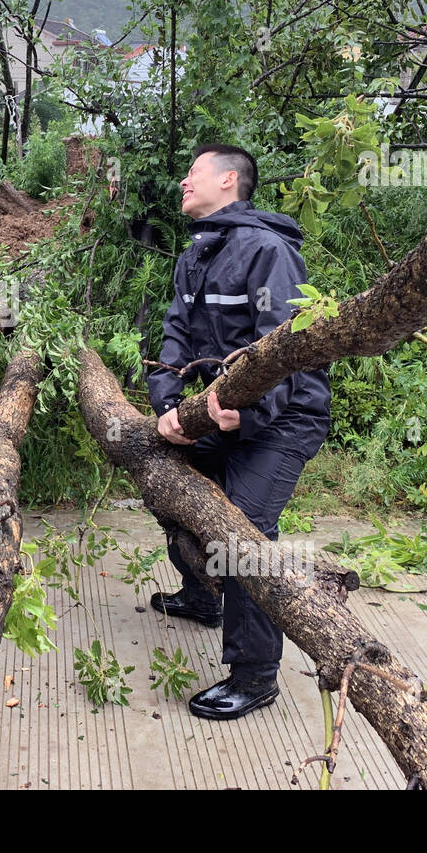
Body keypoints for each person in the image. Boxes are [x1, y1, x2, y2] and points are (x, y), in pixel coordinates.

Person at [148, 144, 330, 720]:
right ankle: (203, 595)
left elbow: (281, 347)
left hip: (282, 418)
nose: (183, 180)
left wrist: (248, 413)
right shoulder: (196, 253)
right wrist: (169, 405)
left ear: (229, 181)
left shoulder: (267, 251)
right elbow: (176, 334)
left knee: (241, 535)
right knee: (164, 482)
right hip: (214, 409)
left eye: (193, 171)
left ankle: (254, 675)